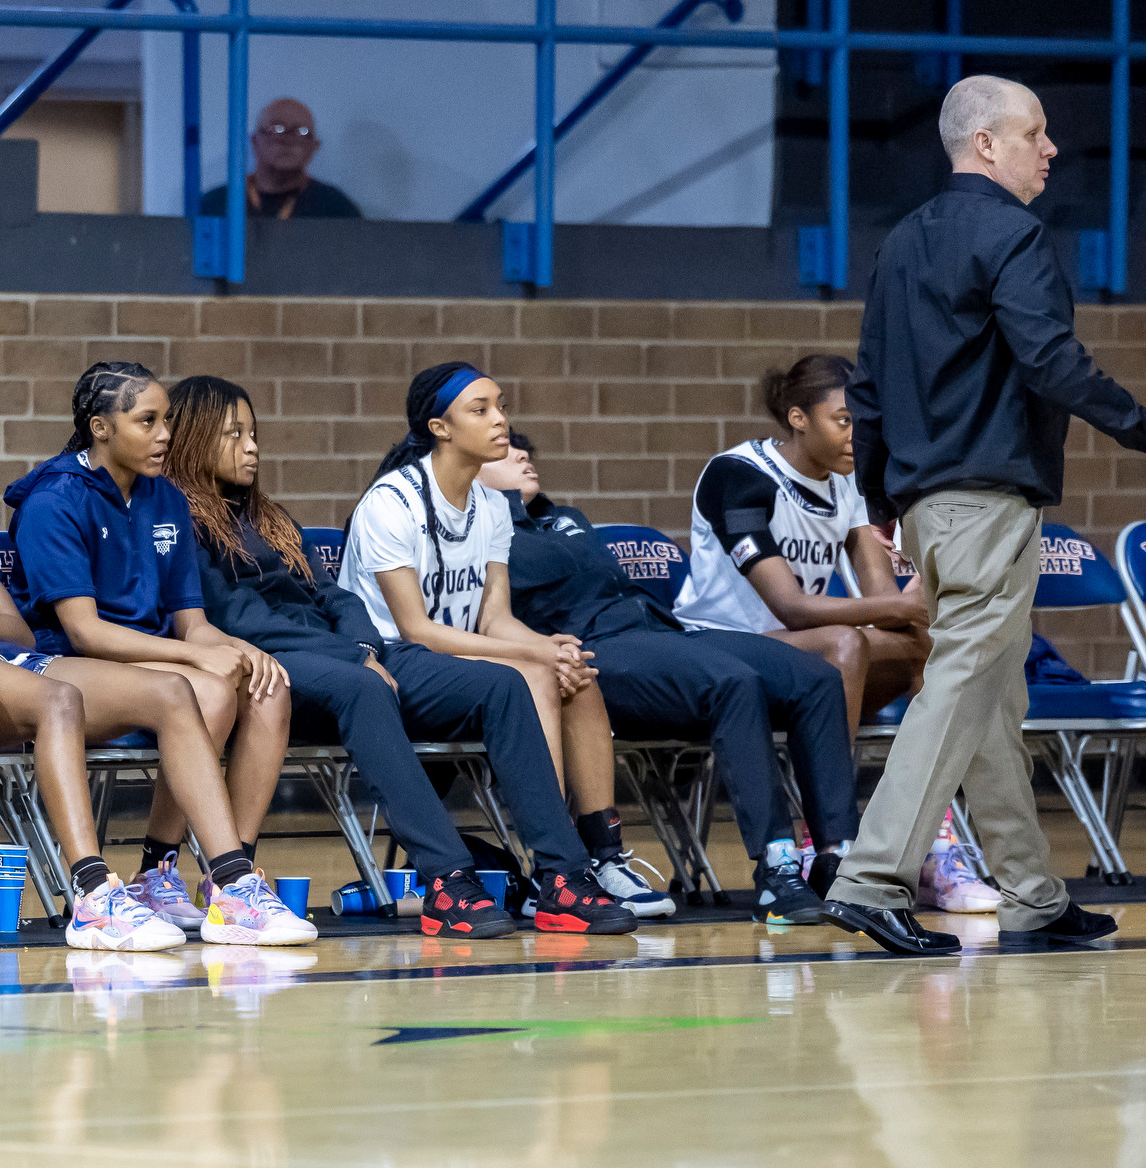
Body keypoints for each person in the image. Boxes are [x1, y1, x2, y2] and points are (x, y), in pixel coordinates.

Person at [827, 74, 1144, 954]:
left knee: (994, 701)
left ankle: (1034, 897)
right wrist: (1138, 426)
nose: (1050, 150)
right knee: (964, 686)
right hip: (987, 503)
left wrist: (884, 500)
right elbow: (1051, 360)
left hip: (928, 509)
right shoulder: (1015, 234)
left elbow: (868, 381)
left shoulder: (900, 243)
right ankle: (872, 876)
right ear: (986, 144)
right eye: (1034, 133)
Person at [0, 393, 271, 950]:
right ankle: (92, 893)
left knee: (173, 690)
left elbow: (17, 632)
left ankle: (229, 883)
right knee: (58, 698)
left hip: (0, 659)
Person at [165, 374, 559, 936]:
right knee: (363, 686)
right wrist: (354, 658)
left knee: (499, 682)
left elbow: (335, 594)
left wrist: (364, 647)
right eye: (234, 434)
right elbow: (235, 618)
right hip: (270, 664)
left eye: (254, 433)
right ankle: (448, 879)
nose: (252, 446)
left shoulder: (269, 517)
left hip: (343, 655)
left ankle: (564, 876)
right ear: (195, 440)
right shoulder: (180, 520)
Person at [481, 429, 863, 926]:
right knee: (731, 681)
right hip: (595, 650)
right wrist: (502, 504)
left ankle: (837, 858)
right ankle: (777, 869)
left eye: (524, 447)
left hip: (657, 629)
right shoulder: (485, 530)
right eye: (505, 452)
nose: (523, 454)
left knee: (815, 677)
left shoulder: (567, 518)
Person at [4, 362, 318, 945]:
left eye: (166, 420)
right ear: (100, 427)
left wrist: (240, 650)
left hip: (148, 661)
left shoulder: (166, 500)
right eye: (147, 421)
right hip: (66, 667)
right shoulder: (54, 500)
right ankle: (226, 882)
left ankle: (174, 876)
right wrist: (191, 658)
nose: (165, 434)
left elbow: (193, 625)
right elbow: (85, 632)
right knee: (194, 686)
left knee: (264, 686)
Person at [668, 356, 996, 912]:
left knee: (926, 647)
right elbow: (790, 608)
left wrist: (929, 590)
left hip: (801, 658)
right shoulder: (738, 474)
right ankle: (825, 839)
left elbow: (886, 604)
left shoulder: (847, 485)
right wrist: (903, 604)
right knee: (842, 644)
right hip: (719, 652)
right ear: (798, 418)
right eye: (843, 420)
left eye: (865, 422)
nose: (857, 435)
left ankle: (927, 839)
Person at [337, 363, 636, 934]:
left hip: (456, 658)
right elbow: (416, 628)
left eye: (500, 405)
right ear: (439, 427)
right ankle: (559, 870)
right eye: (481, 410)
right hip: (391, 660)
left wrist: (549, 649)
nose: (500, 420)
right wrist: (530, 660)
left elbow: (495, 618)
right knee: (523, 677)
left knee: (569, 672)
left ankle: (575, 866)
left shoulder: (492, 505)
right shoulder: (391, 503)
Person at [198, 98, 362, 221]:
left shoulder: (335, 208)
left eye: (301, 132)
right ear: (255, 142)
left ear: (313, 147)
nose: (287, 140)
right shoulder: (216, 204)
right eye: (276, 129)